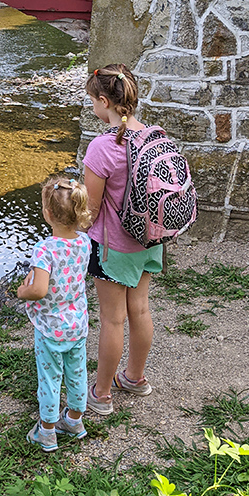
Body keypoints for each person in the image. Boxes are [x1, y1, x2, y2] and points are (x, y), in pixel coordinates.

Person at [83, 63, 164, 416]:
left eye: (93, 102)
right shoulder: (152, 135)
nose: (93, 109)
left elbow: (92, 206)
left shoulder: (102, 147)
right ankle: (135, 377)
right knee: (141, 308)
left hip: (114, 245)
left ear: (105, 101)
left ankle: (101, 395)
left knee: (112, 319)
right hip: (149, 239)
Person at [17, 174, 92, 451]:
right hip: (77, 323)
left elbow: (39, 290)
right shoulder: (85, 242)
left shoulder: (44, 249)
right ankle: (74, 420)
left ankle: (47, 430)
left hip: (51, 328)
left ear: (48, 214)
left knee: (50, 378)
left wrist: (21, 292)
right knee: (76, 372)